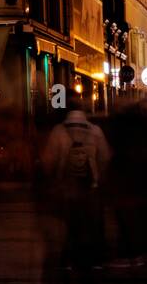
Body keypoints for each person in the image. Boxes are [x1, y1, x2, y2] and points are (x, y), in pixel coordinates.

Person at [41, 102, 111, 272]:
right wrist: (98, 177)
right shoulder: (95, 131)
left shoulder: (58, 131)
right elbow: (105, 157)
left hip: (67, 186)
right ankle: (94, 260)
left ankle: (69, 260)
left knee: (69, 223)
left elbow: (48, 160)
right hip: (90, 186)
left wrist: (53, 178)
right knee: (92, 223)